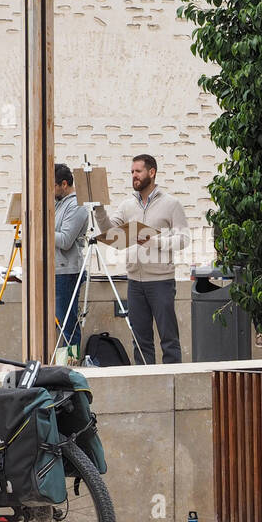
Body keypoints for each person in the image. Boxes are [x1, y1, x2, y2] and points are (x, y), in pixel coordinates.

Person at [103, 154, 189, 365]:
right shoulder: (126, 206)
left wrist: (155, 240)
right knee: (140, 341)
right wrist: (98, 210)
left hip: (161, 281)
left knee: (168, 339)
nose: (134, 176)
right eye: (132, 172)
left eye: (138, 171)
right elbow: (109, 233)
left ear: (151, 172)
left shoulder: (171, 204)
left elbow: (184, 239)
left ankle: (172, 380)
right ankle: (146, 381)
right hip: (134, 282)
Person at [53, 163, 89, 352]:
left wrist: (40, 228)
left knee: (67, 325)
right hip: (55, 270)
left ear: (64, 184)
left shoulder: (77, 205)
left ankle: (71, 366)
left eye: (52, 186)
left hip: (67, 272)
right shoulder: (58, 203)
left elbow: (66, 240)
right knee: (56, 326)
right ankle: (58, 366)